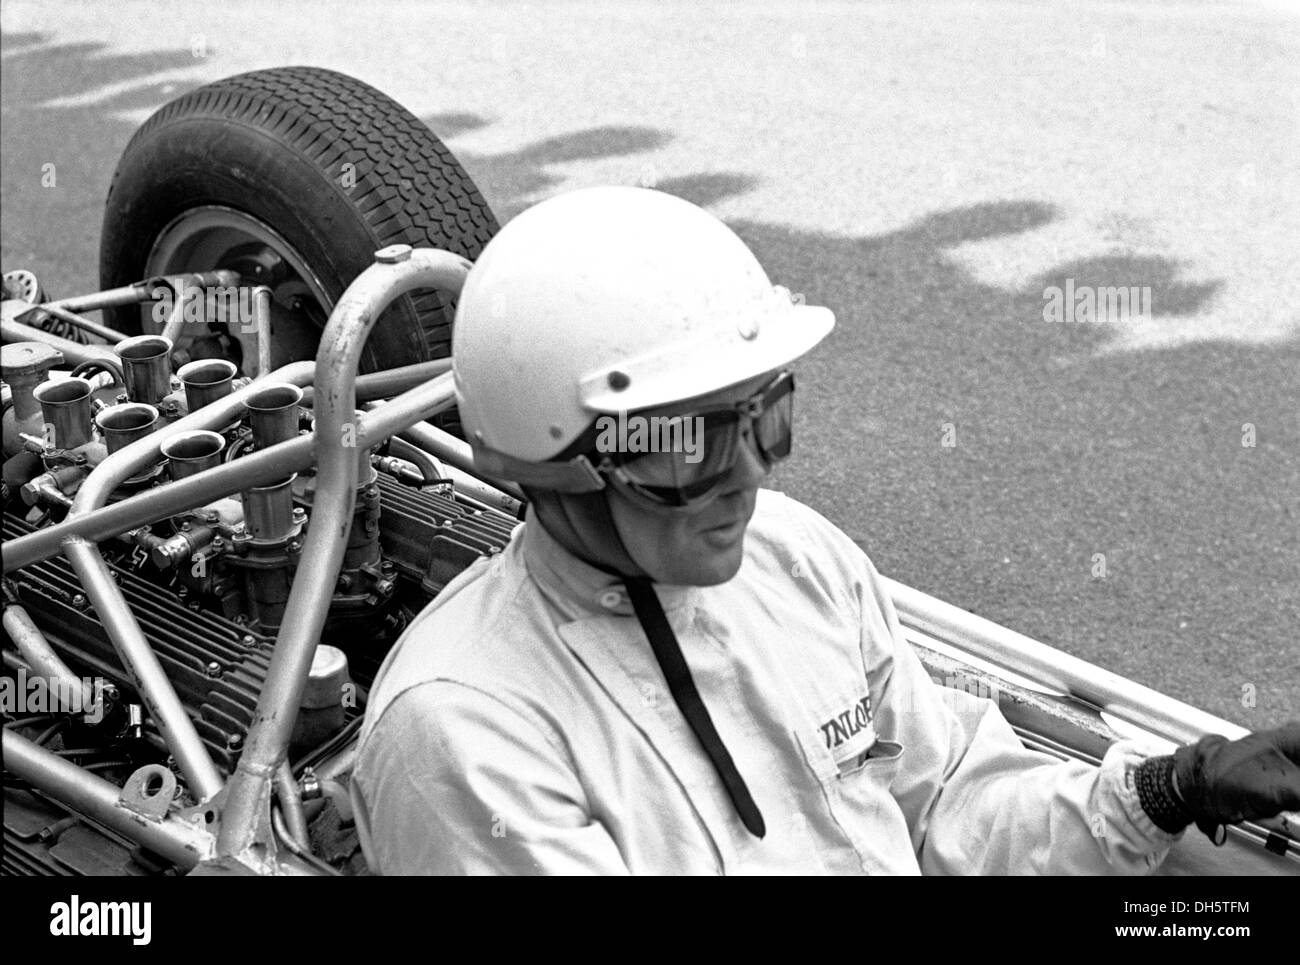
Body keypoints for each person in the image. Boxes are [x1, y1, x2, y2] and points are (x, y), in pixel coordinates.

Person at [350, 186, 1300, 875]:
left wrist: (1170, 790)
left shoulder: (797, 562)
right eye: (696, 445)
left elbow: (956, 808)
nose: (754, 474)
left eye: (766, 417)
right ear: (561, 461)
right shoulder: (463, 734)